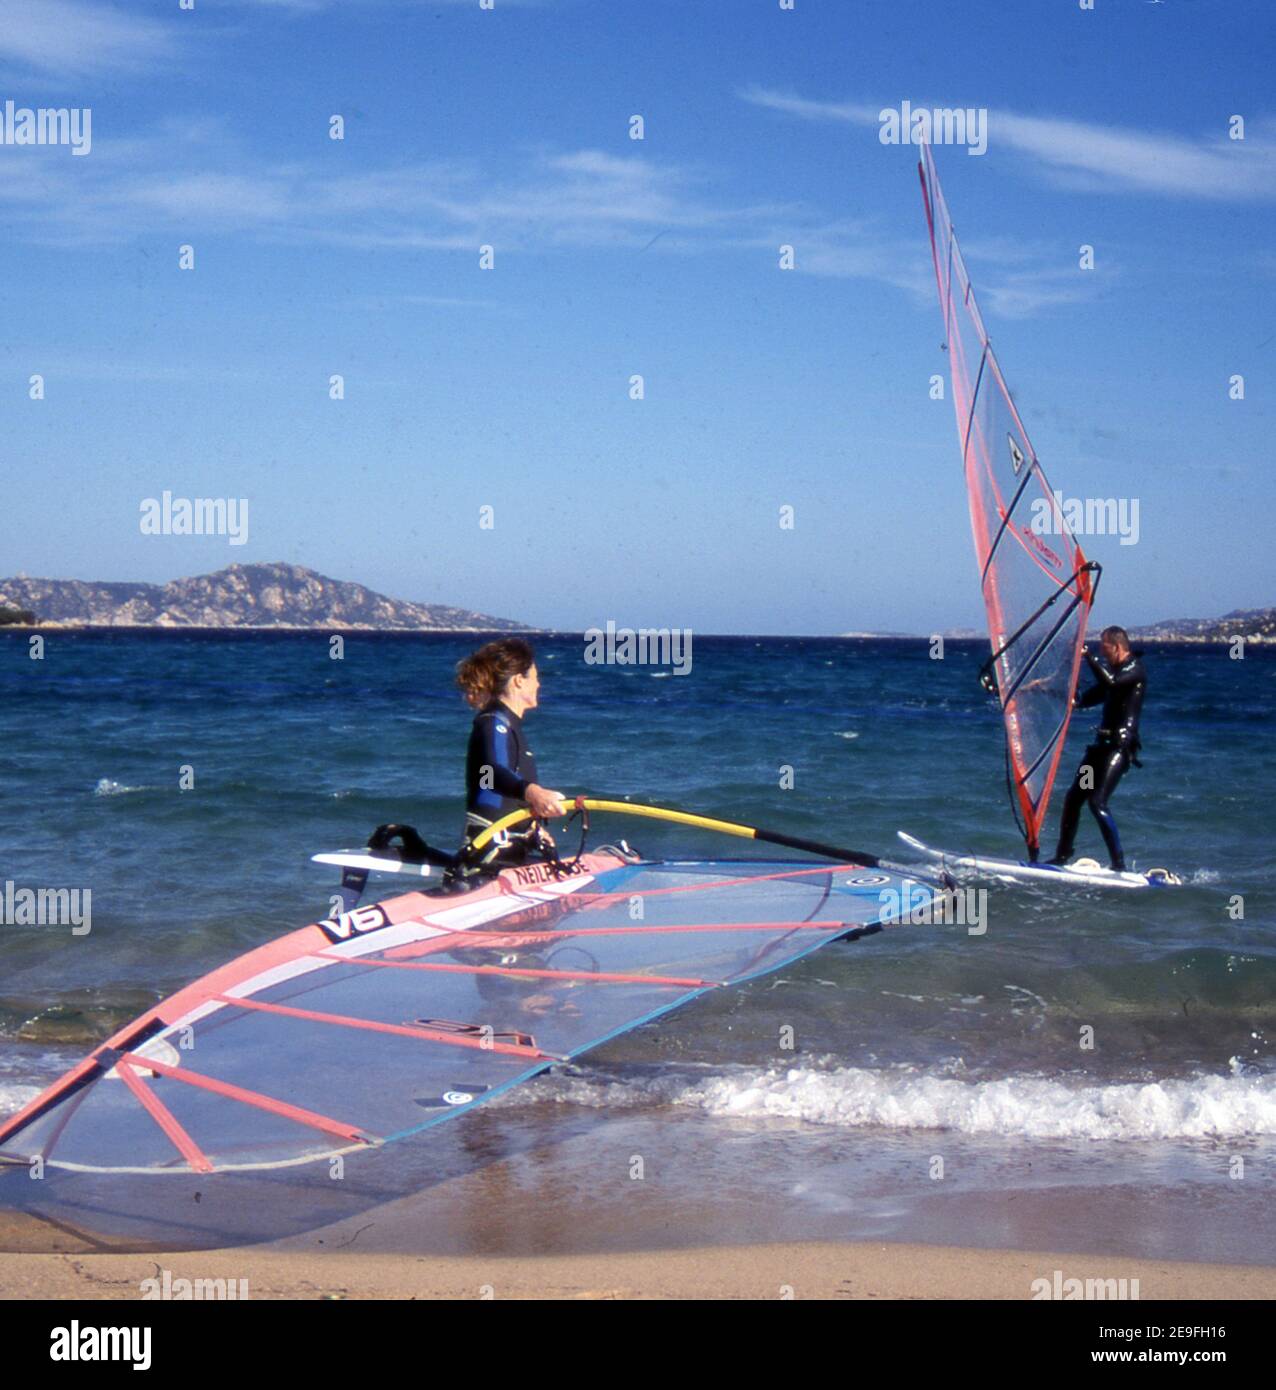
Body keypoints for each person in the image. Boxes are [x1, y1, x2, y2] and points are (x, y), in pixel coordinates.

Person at [455, 637, 565, 870]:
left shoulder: (509, 725)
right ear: (518, 681)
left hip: (510, 847)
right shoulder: (492, 723)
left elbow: (508, 793)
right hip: (488, 853)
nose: (538, 685)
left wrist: (533, 828)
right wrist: (534, 793)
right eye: (535, 678)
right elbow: (489, 775)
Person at [1049, 626, 1145, 872]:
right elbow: (1086, 698)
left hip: (1118, 750)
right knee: (1074, 798)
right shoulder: (1113, 674)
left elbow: (1111, 684)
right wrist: (1060, 694)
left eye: (1104, 650)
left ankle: (1119, 865)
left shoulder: (1134, 671)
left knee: (1097, 802)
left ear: (1117, 646)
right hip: (1098, 751)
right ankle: (1062, 855)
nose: (1103, 655)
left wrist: (1087, 657)